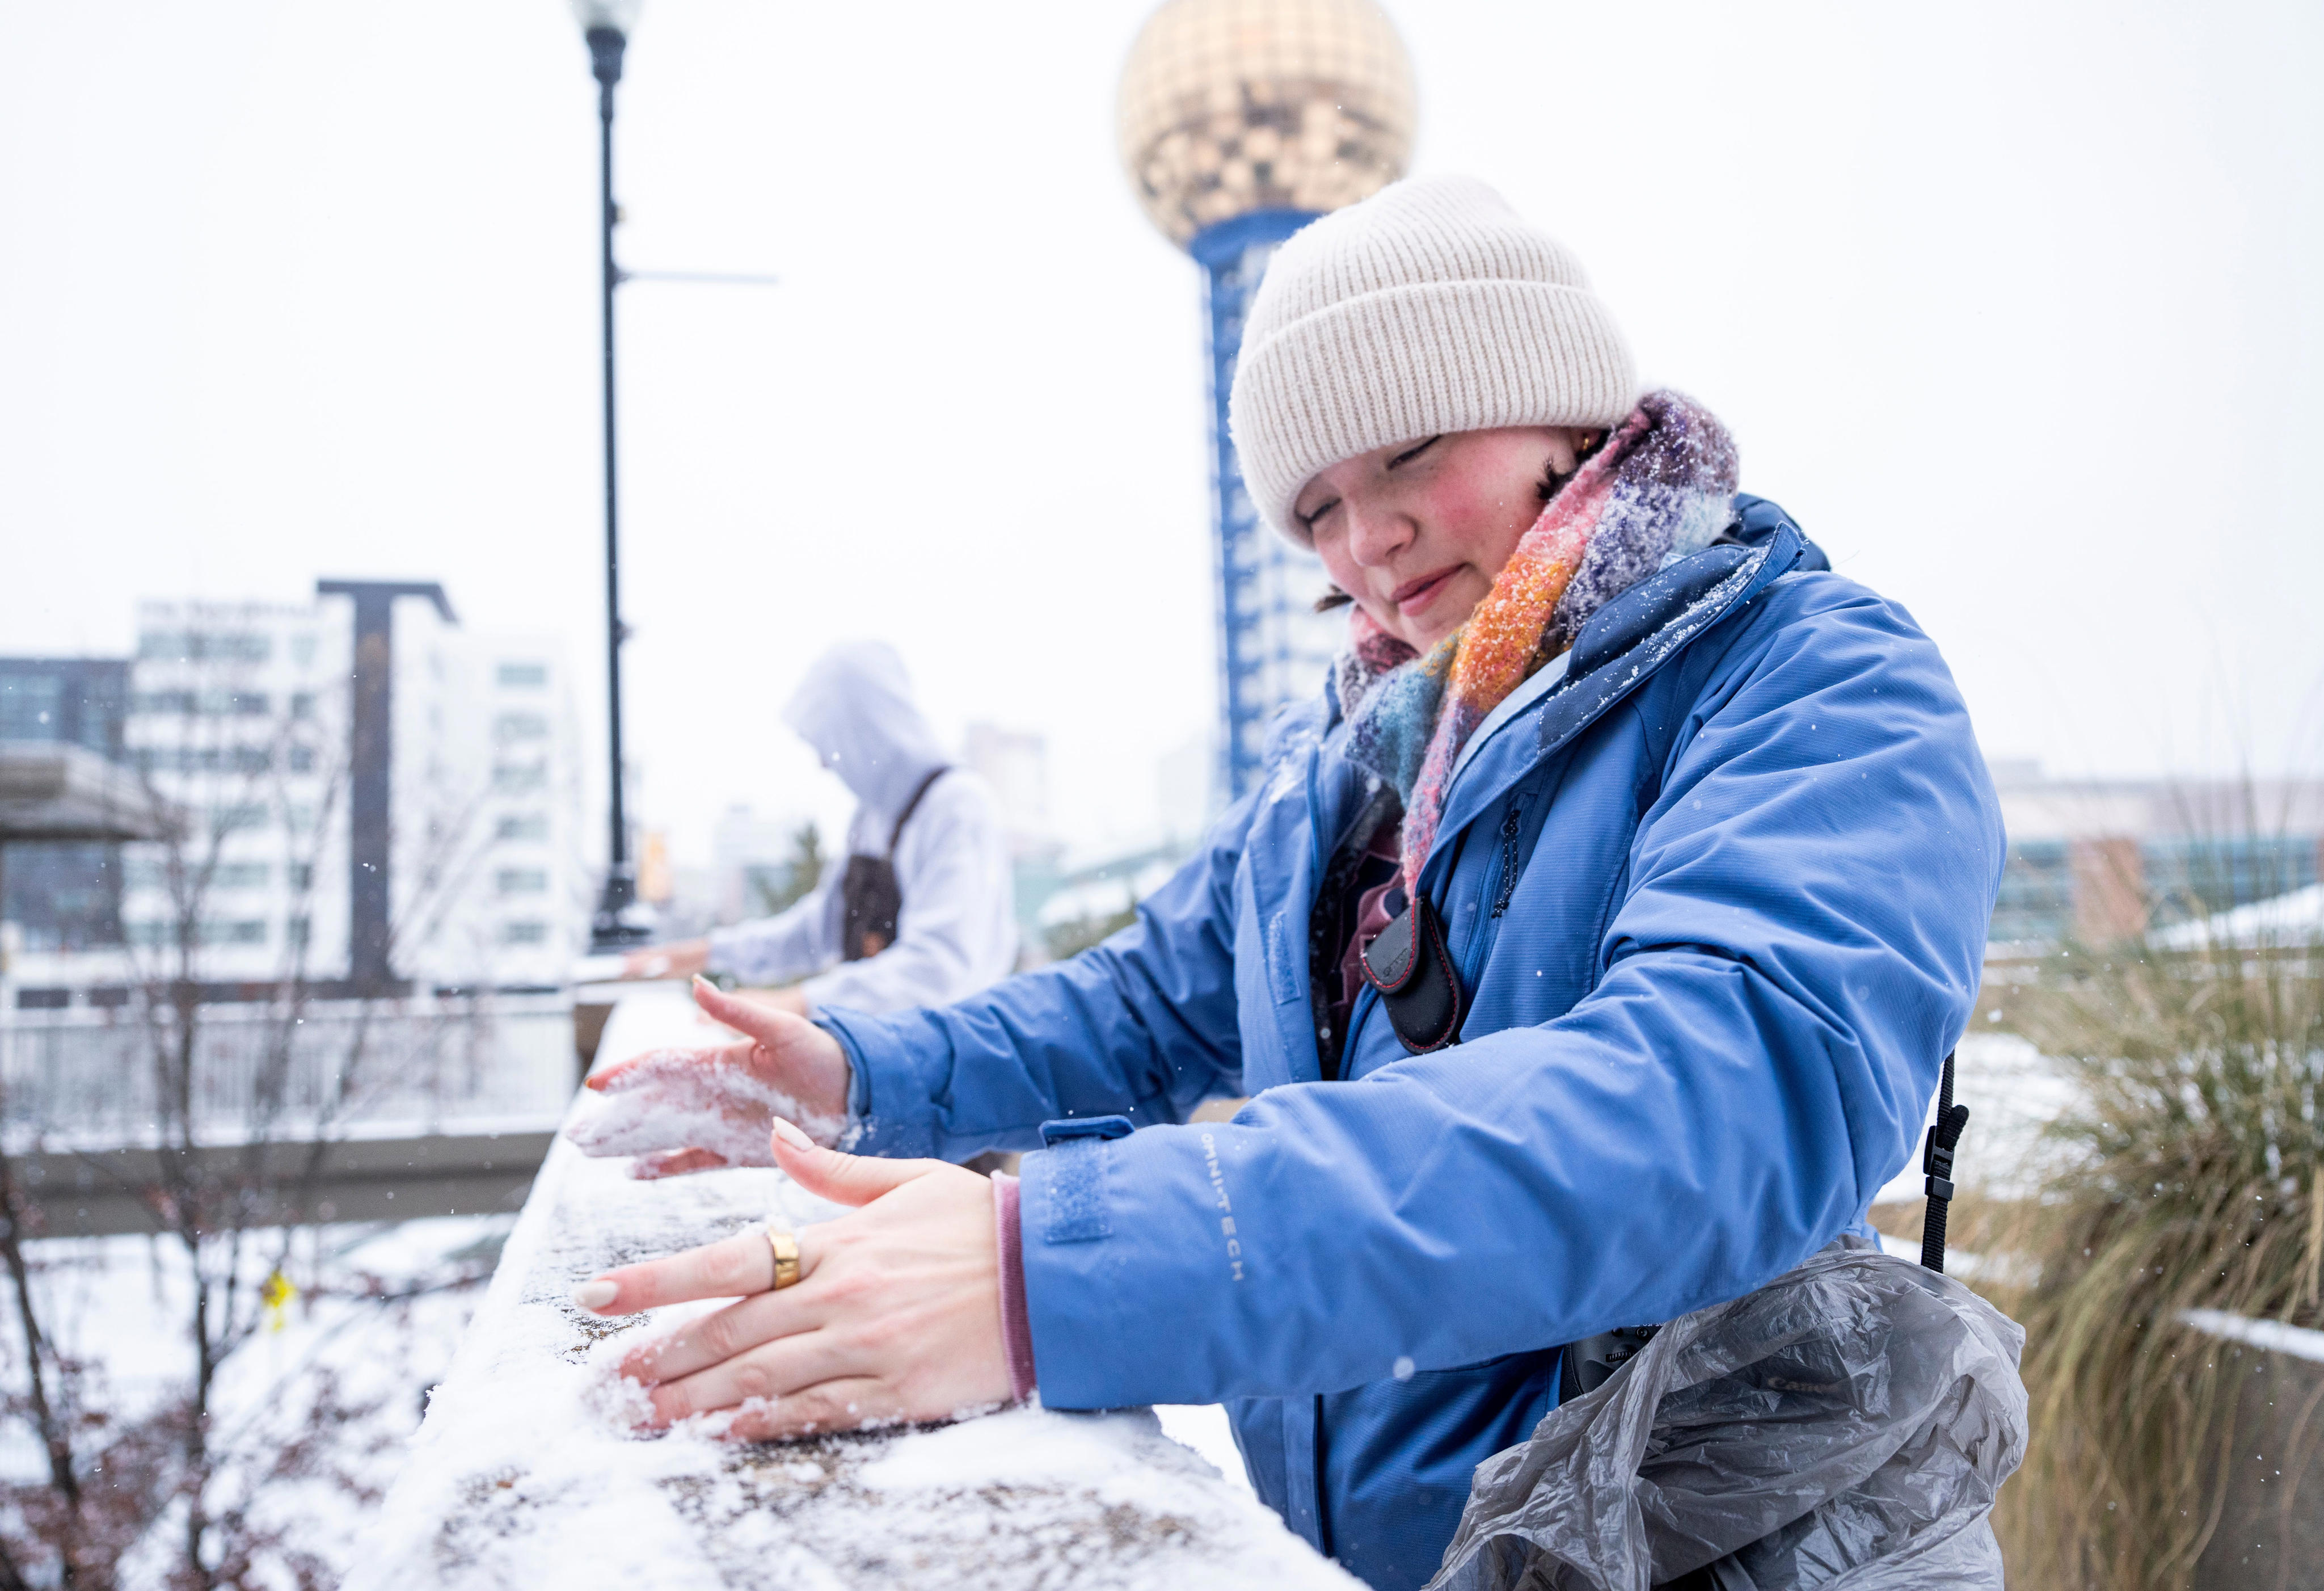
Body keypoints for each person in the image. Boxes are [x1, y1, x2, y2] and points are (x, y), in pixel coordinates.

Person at [565, 176, 2005, 1591]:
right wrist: (856, 1074)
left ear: (1568, 410)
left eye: (1405, 451)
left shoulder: (1807, 679)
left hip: (1722, 1544)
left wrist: (1042, 1270)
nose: (1359, 540)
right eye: (1311, 504)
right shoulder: (1348, 760)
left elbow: (1715, 1103)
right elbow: (1143, 1006)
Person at [623, 640, 1018, 1018]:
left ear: (867, 730)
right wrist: (706, 953)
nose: (825, 765)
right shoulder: (871, 818)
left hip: (956, 1066)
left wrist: (796, 1003)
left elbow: (935, 970)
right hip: (888, 1053)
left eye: (830, 744)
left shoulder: (958, 807)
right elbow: (817, 929)